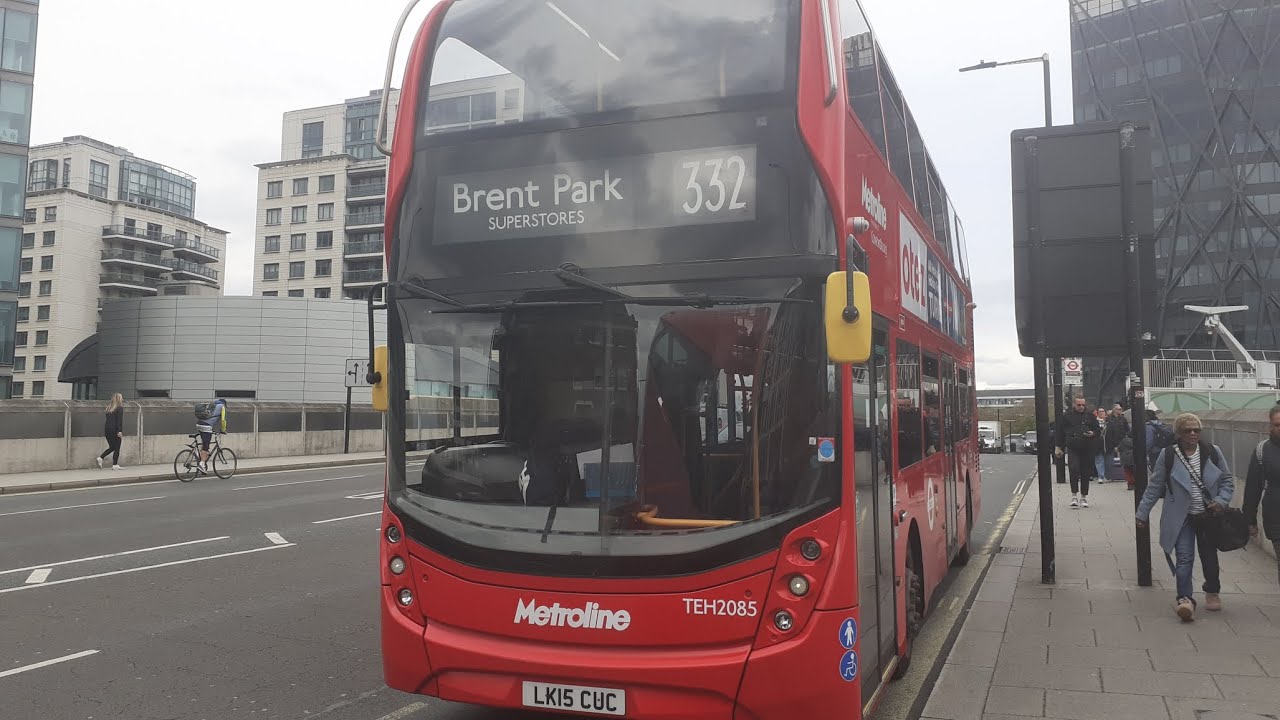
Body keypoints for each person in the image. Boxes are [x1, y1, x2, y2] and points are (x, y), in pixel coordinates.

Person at [1136, 413, 1234, 621]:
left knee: (1209, 558)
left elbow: (1227, 481)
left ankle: (1212, 591)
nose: (1192, 434)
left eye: (1196, 430)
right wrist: (1142, 513)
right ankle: (1185, 599)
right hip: (1182, 517)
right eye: (1187, 430)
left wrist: (1221, 500)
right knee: (1184, 558)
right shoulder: (1168, 455)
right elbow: (1155, 486)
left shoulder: (1212, 452)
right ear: (1179, 434)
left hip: (1208, 515)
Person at [1242, 406, 1280, 585]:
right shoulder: (1262, 450)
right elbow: (1252, 487)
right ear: (1270, 426)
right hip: (1276, 516)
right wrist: (1250, 519)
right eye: (1278, 424)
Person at [1056, 397, 1101, 508]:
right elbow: (1060, 432)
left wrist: (1093, 433)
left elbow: (1098, 430)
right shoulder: (1067, 417)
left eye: (1083, 405)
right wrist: (1058, 447)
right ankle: (1074, 495)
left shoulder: (1090, 417)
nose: (1081, 407)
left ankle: (1084, 497)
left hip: (1087, 447)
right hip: (1073, 447)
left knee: (1085, 473)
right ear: (1074, 405)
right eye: (1079, 405)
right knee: (1074, 469)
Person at [194, 398, 228, 472]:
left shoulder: (212, 405)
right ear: (224, 404)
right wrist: (223, 430)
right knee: (205, 447)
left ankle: (200, 457)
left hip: (199, 424)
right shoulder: (222, 407)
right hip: (207, 426)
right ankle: (202, 464)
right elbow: (223, 420)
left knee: (205, 444)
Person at [97, 393, 126, 470]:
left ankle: (101, 457)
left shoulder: (108, 409)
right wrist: (119, 431)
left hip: (107, 430)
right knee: (117, 447)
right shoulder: (119, 408)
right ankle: (115, 464)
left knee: (112, 446)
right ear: (119, 399)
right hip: (115, 430)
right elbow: (119, 421)